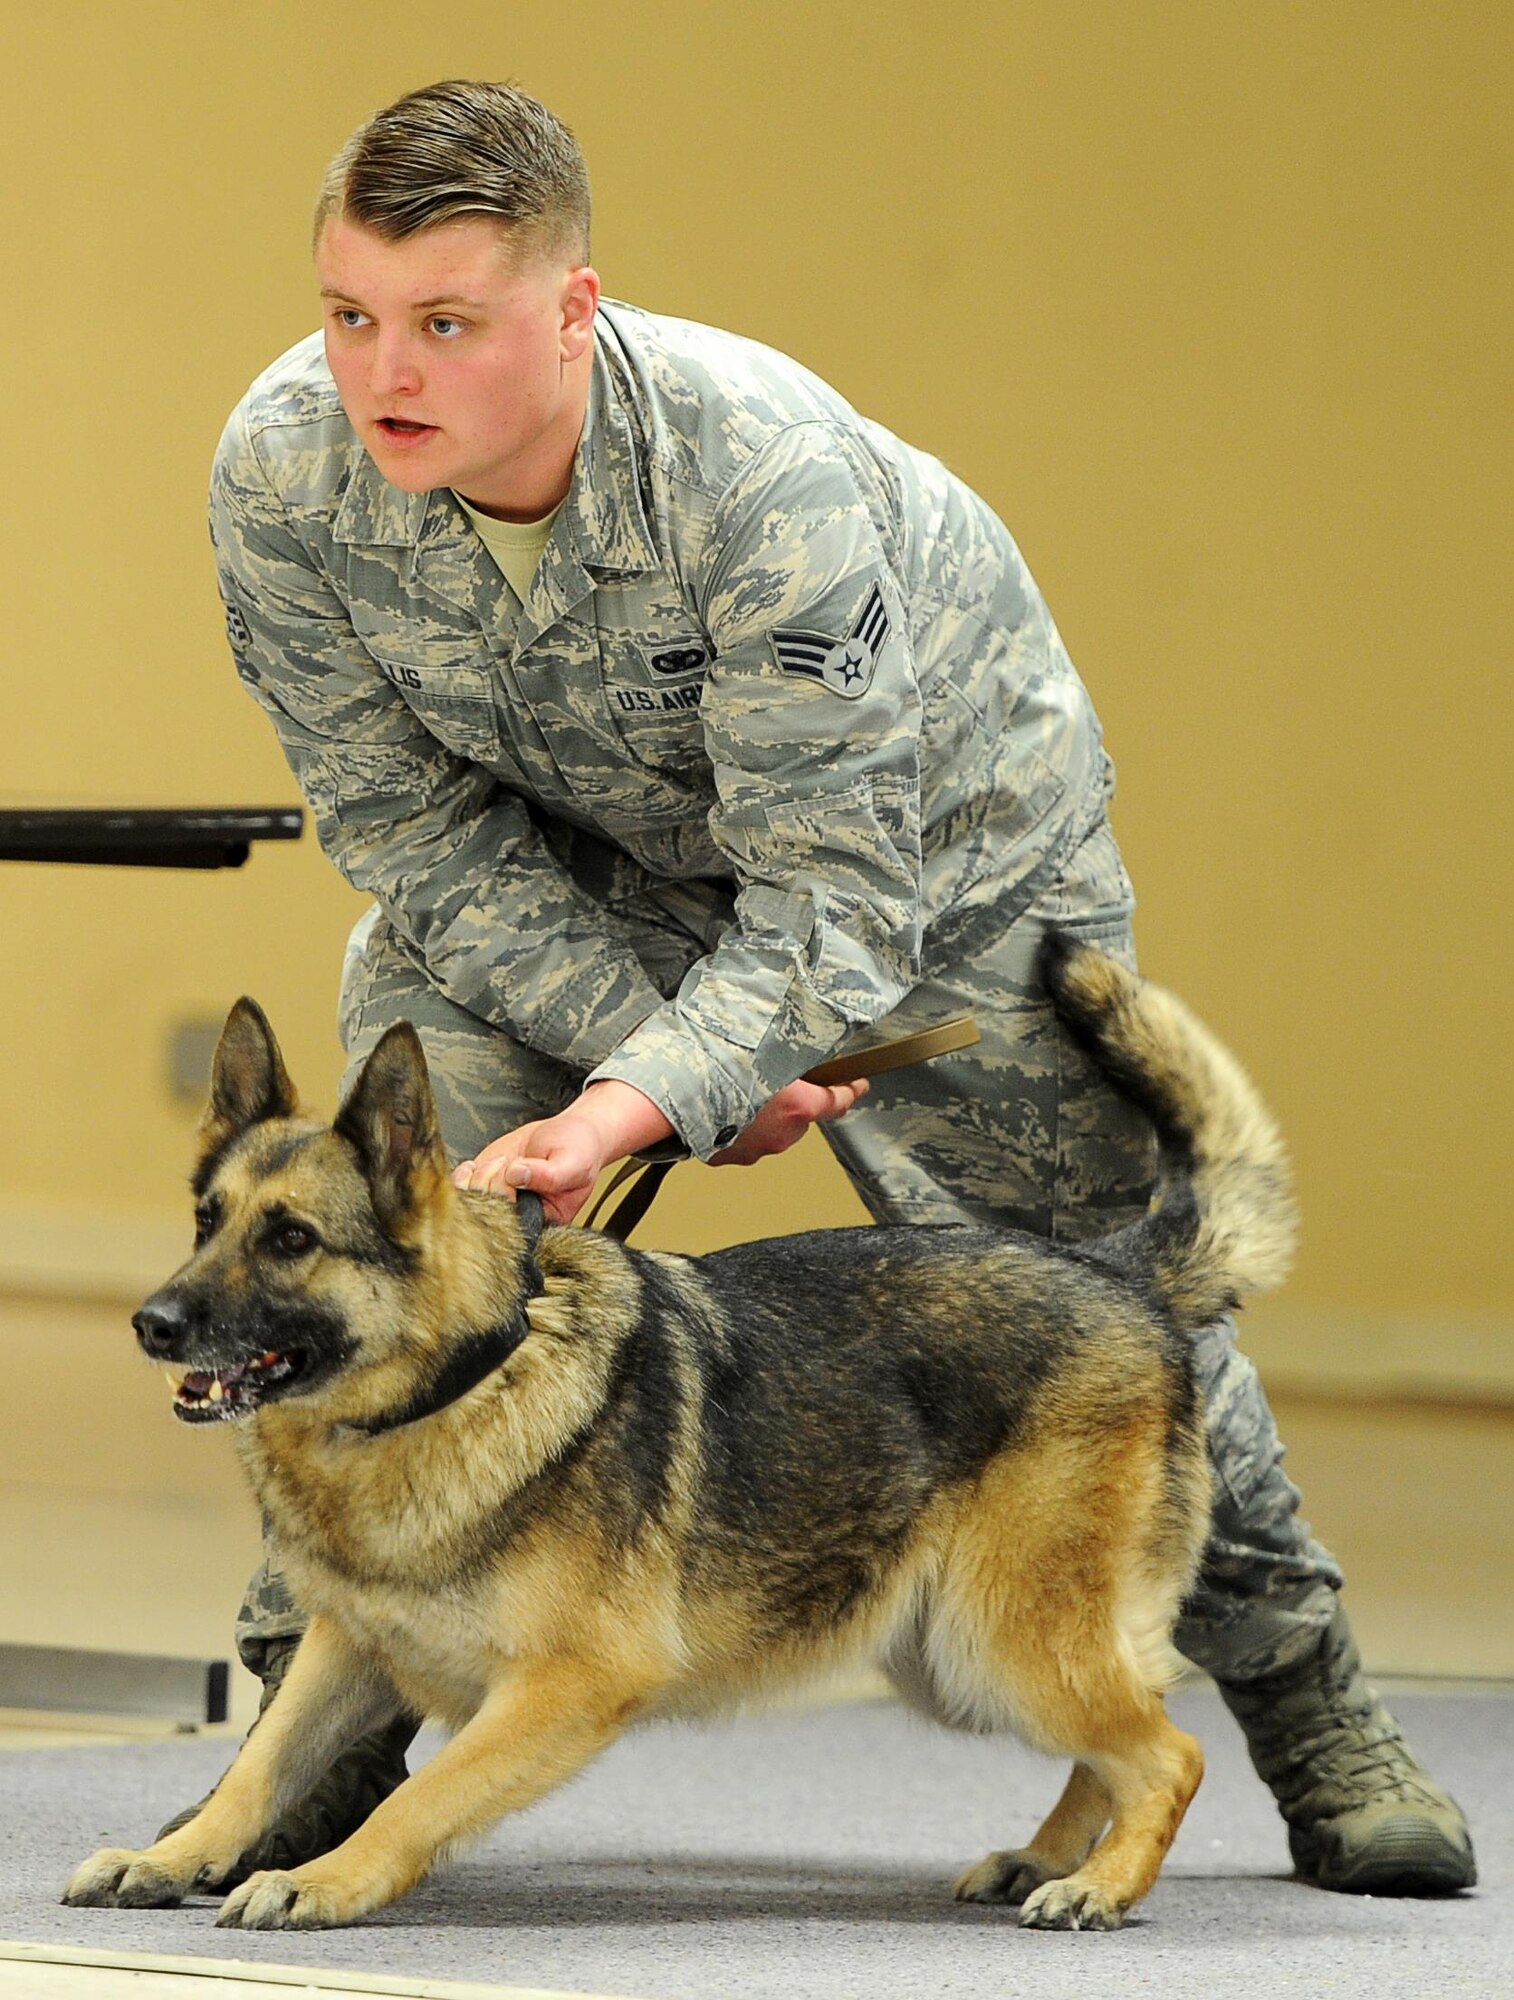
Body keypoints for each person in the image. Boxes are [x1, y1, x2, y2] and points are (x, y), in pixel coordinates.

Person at [178, 78, 1473, 1898]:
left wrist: (656, 1089)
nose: (381, 371)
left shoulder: (753, 471)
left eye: (446, 322)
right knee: (395, 1237)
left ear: (574, 309)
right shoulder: (280, 465)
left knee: (1104, 1294)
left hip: (936, 871)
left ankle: (1308, 1700)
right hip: (565, 876)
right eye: (350, 313)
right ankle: (315, 1728)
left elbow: (833, 903)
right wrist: (662, 1060)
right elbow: (403, 823)